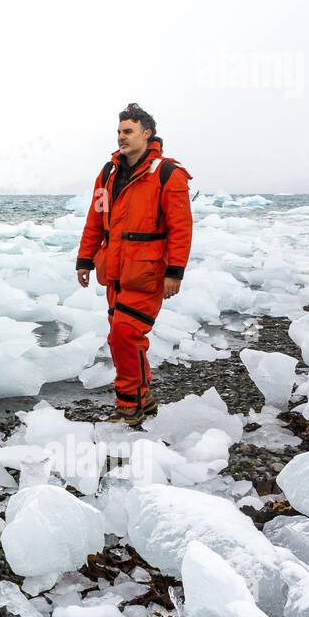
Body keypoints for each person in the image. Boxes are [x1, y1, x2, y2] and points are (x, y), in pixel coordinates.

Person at [75, 103, 193, 425]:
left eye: (128, 131)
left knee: (126, 334)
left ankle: (130, 405)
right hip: (113, 270)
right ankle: (143, 399)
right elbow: (95, 219)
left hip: (148, 272)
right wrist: (85, 259)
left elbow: (181, 228)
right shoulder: (108, 173)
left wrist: (175, 272)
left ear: (146, 133)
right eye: (119, 131)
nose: (121, 137)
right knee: (120, 336)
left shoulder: (168, 174)